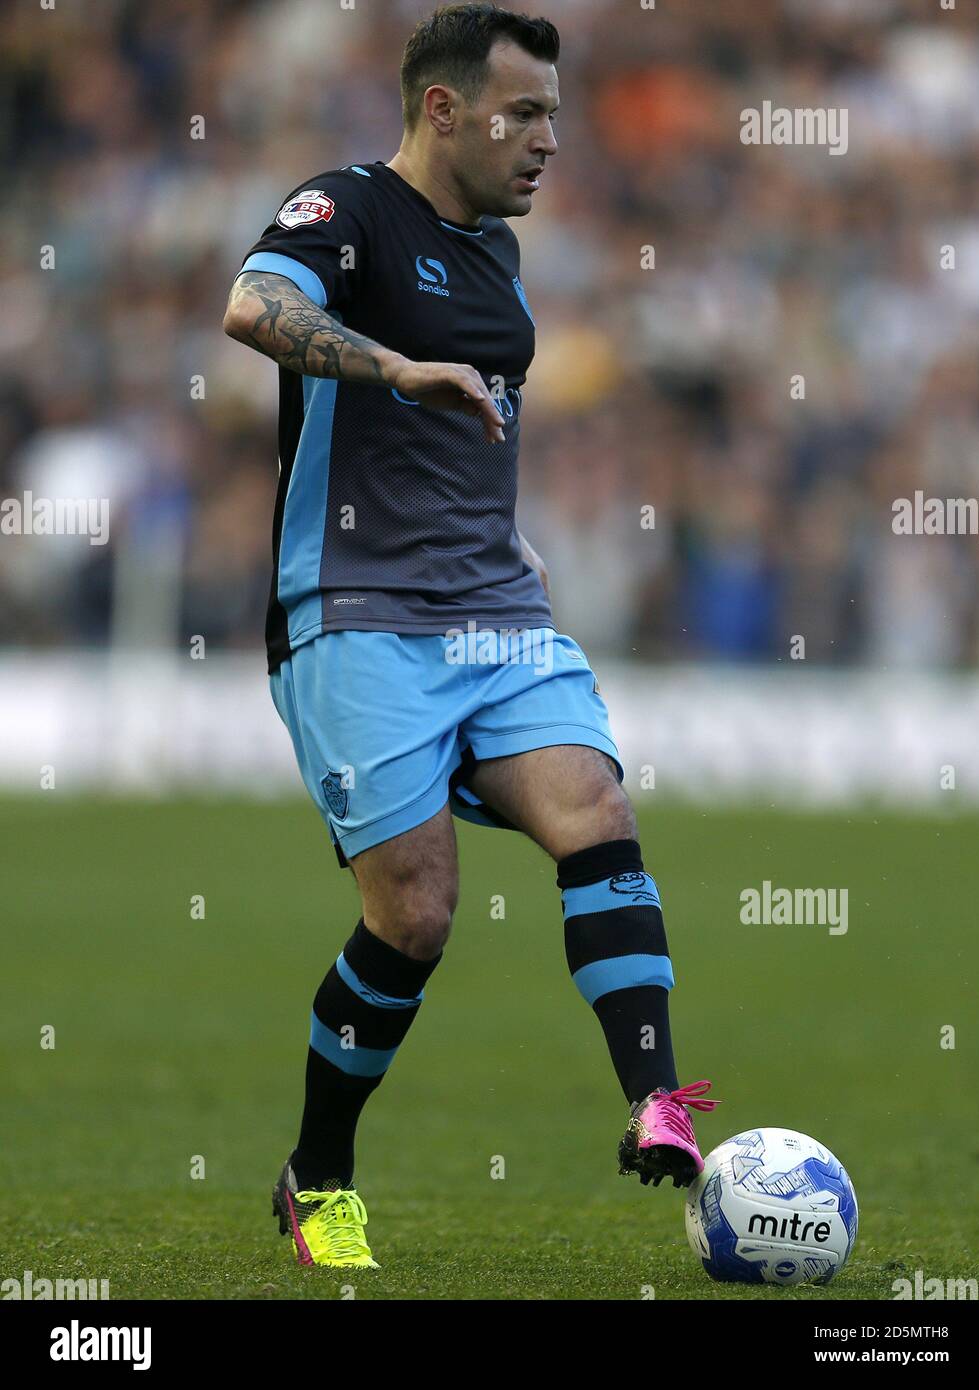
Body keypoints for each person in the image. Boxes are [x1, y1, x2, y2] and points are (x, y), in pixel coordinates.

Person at [223, 2, 716, 1270]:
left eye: (555, 110)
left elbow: (469, 433)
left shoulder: (494, 249)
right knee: (418, 916)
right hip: (352, 617)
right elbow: (253, 307)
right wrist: (389, 366)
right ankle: (318, 1174)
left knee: (594, 808)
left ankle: (655, 1103)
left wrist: (512, 534)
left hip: (494, 609)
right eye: (527, 112)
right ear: (443, 109)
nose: (553, 137)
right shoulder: (344, 210)